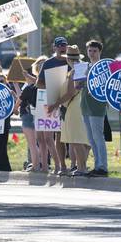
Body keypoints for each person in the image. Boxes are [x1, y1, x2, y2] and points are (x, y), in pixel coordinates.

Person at [50, 45, 89, 176]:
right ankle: (82, 167)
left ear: (69, 59)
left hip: (75, 106)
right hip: (82, 104)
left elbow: (71, 92)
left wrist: (56, 104)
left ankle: (82, 168)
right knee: (82, 139)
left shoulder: (75, 71)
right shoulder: (84, 68)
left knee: (76, 139)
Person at [38, 37, 71, 174]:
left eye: (64, 45)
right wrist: (52, 86)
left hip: (70, 101)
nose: (62, 48)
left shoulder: (72, 62)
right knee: (58, 136)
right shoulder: (48, 63)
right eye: (59, 46)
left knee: (71, 136)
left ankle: (75, 165)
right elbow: (39, 83)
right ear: (54, 48)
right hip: (53, 103)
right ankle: (61, 165)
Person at [78, 41, 109, 177]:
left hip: (97, 105)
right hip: (85, 104)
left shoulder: (104, 67)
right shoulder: (85, 66)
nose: (92, 53)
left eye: (95, 51)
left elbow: (109, 86)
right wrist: (79, 76)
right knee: (91, 139)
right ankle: (97, 166)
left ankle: (103, 167)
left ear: (100, 52)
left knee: (98, 137)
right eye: (90, 51)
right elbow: (77, 86)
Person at [14, 56, 45, 173]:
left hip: (28, 114)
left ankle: (36, 165)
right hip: (38, 114)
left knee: (32, 143)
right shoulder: (44, 84)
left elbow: (21, 98)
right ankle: (42, 164)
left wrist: (15, 108)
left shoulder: (32, 86)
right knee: (41, 142)